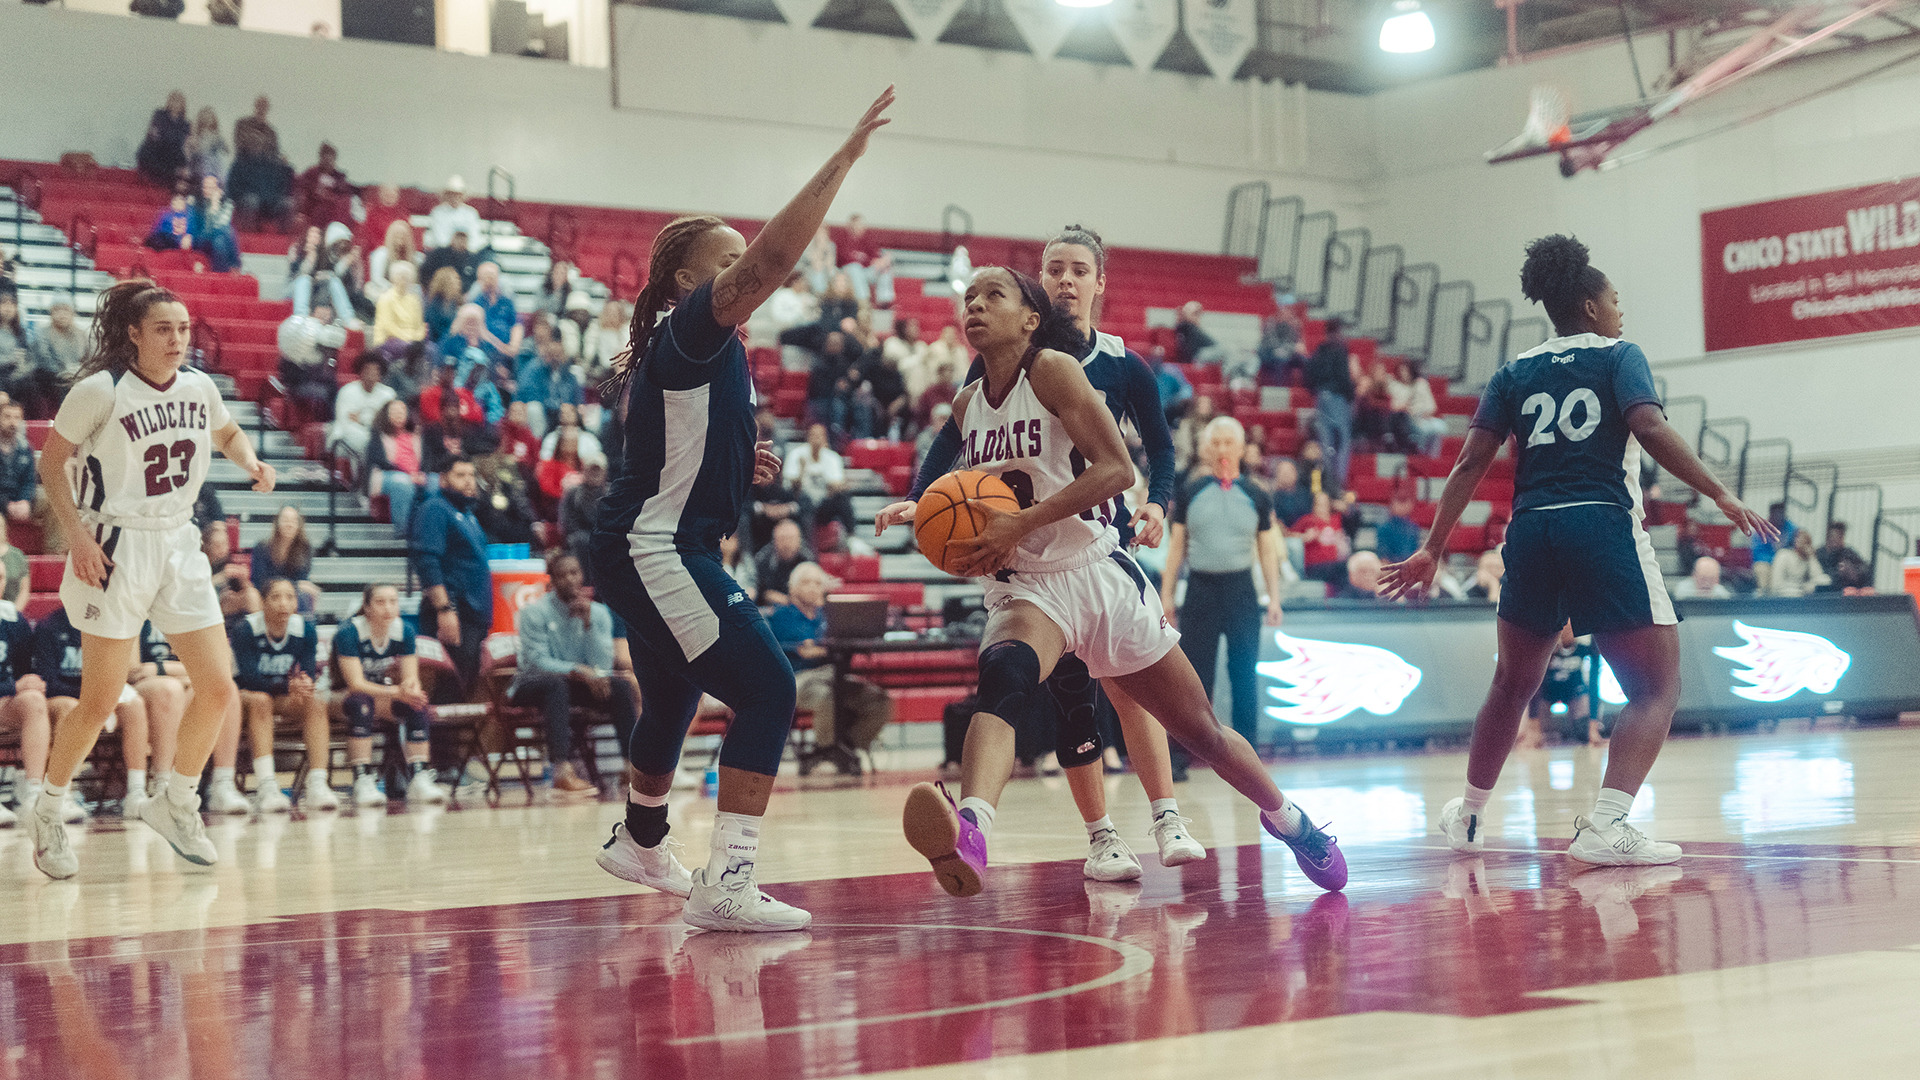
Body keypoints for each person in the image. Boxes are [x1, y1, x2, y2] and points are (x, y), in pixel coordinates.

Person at [886, 265, 1346, 901]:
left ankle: (1291, 822)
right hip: (1028, 583)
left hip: (1096, 571)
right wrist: (923, 505)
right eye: (969, 297)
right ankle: (972, 830)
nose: (976, 305)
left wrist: (1022, 521)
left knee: (1203, 732)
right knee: (1003, 676)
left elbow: (1116, 470)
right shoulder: (967, 404)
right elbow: (952, 475)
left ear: (1030, 318)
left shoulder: (1052, 371)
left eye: (993, 295)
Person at [588, 87, 896, 934]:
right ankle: (727, 881)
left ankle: (641, 839)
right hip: (656, 546)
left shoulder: (706, 350)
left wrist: (733, 464)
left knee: (674, 700)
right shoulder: (693, 327)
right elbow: (772, 261)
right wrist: (843, 159)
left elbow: (668, 449)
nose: (742, 273)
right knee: (767, 689)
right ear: (691, 283)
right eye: (727, 264)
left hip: (651, 539)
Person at [1378, 234, 1773, 868]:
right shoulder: (1620, 356)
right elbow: (1648, 426)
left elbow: (1470, 461)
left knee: (1512, 684)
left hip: (1533, 531)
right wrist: (1720, 493)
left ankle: (1470, 815)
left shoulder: (1514, 372)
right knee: (1656, 687)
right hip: (1601, 524)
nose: (1621, 309)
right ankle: (1607, 825)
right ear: (1590, 306)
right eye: (1614, 299)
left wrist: (1434, 546)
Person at [886, 225, 1200, 874]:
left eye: (1078, 269)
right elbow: (953, 437)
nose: (1065, 279)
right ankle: (1101, 837)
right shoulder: (1001, 359)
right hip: (1032, 559)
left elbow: (1159, 448)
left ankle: (1167, 817)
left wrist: (1158, 503)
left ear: (1098, 282)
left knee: (1128, 690)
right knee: (1070, 698)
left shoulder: (1121, 364)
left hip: (1099, 544)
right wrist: (921, 499)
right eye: (1054, 268)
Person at [23, 279, 276, 880]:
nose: (177, 339)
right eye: (164, 329)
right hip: (113, 542)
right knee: (99, 699)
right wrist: (77, 537)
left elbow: (226, 431)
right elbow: (51, 463)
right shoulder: (100, 391)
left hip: (178, 540)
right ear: (133, 334)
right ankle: (48, 809)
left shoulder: (199, 386)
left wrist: (250, 462)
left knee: (218, 687)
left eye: (183, 328)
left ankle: (176, 801)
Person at [1159, 413, 1286, 763]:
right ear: (1205, 450)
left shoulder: (1257, 495)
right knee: (1195, 680)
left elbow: (1267, 551)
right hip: (1200, 591)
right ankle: (1183, 757)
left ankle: (1248, 757)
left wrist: (1274, 598)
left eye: (1229, 442)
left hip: (1241, 591)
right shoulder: (1191, 492)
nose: (1222, 449)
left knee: (1244, 674)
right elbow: (1176, 549)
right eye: (1215, 443)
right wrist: (1167, 596)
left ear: (1242, 449)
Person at [510, 552, 637, 796]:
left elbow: (602, 665)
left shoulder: (598, 613)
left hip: (575, 684)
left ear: (582, 576)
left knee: (620, 687)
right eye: (562, 575)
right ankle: (562, 772)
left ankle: (631, 767)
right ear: (552, 581)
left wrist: (589, 626)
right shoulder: (533, 612)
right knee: (556, 685)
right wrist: (577, 670)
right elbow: (537, 662)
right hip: (531, 684)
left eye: (574, 573)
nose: (569, 579)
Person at [769, 562, 894, 775]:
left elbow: (819, 647)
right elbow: (805, 651)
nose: (813, 588)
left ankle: (849, 748)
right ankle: (827, 753)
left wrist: (823, 647)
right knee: (827, 698)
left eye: (818, 583)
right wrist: (823, 648)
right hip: (799, 679)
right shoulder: (781, 616)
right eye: (806, 582)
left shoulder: (831, 614)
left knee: (879, 700)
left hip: (835, 674)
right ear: (793, 588)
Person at [331, 583, 444, 808]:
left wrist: (411, 691)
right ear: (367, 607)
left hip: (379, 694)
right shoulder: (349, 632)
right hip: (336, 695)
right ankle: (362, 779)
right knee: (361, 704)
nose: (388, 608)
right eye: (381, 602)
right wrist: (397, 691)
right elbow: (355, 684)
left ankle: (419, 777)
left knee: (416, 704)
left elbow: (411, 678)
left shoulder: (405, 631)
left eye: (393, 602)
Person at [230, 578, 330, 812]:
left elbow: (307, 673)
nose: (283, 603)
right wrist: (288, 686)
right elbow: (250, 679)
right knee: (261, 700)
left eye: (290, 597)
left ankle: (317, 784)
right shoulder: (245, 629)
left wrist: (304, 684)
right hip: (244, 697)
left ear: (296, 603)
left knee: (315, 701)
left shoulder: (305, 630)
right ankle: (266, 786)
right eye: (276, 597)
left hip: (282, 695)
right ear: (263, 602)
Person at [411, 458, 492, 693]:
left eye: (471, 475)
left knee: (467, 687)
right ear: (444, 479)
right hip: (455, 611)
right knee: (449, 688)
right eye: (460, 475)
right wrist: (445, 609)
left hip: (474, 615)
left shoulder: (467, 514)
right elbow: (427, 561)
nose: (468, 481)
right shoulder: (435, 509)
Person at [122, 619, 193, 819]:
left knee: (211, 691)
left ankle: (218, 783)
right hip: (137, 688)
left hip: (173, 680)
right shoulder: (136, 609)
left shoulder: (187, 609)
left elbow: (213, 665)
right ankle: (163, 783)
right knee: (169, 690)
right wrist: (182, 673)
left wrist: (159, 668)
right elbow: (132, 670)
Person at [0, 566, 50, 828]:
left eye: (0, 578)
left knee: (34, 701)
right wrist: (13, 686)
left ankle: (33, 793)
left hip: (3, 699)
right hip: (4, 691)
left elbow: (25, 670)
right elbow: (14, 683)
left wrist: (28, 682)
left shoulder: (11, 618)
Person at [1305, 316, 1358, 489]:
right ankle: (1339, 483)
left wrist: (1317, 390)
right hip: (1337, 398)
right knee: (1342, 441)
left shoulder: (1320, 350)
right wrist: (1351, 397)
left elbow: (1309, 373)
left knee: (1326, 442)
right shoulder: (1339, 349)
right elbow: (1344, 378)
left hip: (1322, 397)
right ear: (1338, 332)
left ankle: (1327, 482)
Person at [228, 96, 294, 227]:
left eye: (265, 106)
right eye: (260, 105)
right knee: (252, 200)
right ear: (255, 106)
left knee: (287, 203)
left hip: (267, 189)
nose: (262, 108)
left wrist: (281, 162)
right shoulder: (242, 124)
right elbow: (233, 187)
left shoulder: (271, 132)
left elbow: (275, 154)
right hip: (247, 186)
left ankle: (282, 237)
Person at [784, 423, 854, 543]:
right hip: (801, 504)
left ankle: (852, 538)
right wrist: (801, 470)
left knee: (843, 497)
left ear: (825, 438)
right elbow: (790, 488)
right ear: (808, 437)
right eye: (813, 435)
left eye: (820, 436)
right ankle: (809, 546)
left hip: (823, 505)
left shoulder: (832, 458)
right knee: (804, 501)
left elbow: (836, 486)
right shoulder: (796, 454)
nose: (816, 439)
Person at [277, 300, 345, 420]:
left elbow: (330, 378)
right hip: (298, 384)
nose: (324, 320)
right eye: (321, 316)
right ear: (312, 314)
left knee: (336, 392)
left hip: (320, 384)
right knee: (323, 393)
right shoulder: (295, 337)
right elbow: (289, 375)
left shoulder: (327, 346)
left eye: (327, 317)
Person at [249, 505, 323, 612]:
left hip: (292, 594)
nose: (289, 524)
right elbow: (259, 581)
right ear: (277, 523)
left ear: (299, 525)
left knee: (307, 594)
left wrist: (298, 586)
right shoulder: (262, 547)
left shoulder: (305, 548)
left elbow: (302, 578)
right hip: (267, 592)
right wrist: (294, 585)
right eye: (285, 520)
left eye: (293, 521)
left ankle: (305, 623)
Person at [332, 354, 396, 458]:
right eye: (368, 369)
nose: (371, 373)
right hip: (348, 437)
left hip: (378, 437)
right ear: (360, 371)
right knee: (362, 438)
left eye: (375, 370)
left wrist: (361, 419)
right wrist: (374, 420)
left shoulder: (388, 394)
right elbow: (345, 422)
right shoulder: (347, 391)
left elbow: (387, 422)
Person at [836, 213, 895, 307]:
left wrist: (881, 262)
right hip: (848, 271)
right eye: (857, 225)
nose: (860, 227)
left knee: (885, 267)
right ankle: (863, 302)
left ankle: (884, 302)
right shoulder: (842, 239)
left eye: (861, 225)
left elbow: (875, 256)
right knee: (855, 267)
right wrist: (869, 261)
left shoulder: (867, 238)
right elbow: (845, 259)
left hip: (865, 271)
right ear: (850, 226)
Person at [1294, 489, 1350, 586]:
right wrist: (1304, 537)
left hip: (1335, 563)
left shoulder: (1336, 519)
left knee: (1347, 567)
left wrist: (1345, 507)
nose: (1321, 507)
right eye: (1318, 504)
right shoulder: (1307, 520)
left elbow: (1353, 516)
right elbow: (1288, 535)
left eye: (1325, 504)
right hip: (1315, 566)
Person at [469, 262, 523, 363]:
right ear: (479, 280)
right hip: (486, 349)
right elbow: (480, 331)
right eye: (486, 277)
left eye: (492, 276)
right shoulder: (475, 303)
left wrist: (514, 346)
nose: (490, 280)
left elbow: (516, 325)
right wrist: (502, 348)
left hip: (508, 349)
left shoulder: (507, 301)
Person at [753, 518, 813, 607]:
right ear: (774, 541)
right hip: (770, 607)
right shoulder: (763, 560)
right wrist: (767, 595)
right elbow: (760, 590)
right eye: (782, 538)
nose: (787, 543)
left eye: (791, 538)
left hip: (800, 605)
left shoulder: (807, 560)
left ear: (799, 540)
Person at [187, 174, 241, 273]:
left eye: (211, 188)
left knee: (219, 241)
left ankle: (218, 275)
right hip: (200, 238)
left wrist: (214, 206)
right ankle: (235, 264)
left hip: (216, 237)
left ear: (218, 190)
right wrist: (188, 234)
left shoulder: (227, 203)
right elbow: (191, 223)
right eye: (205, 187)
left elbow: (221, 225)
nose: (206, 190)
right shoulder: (195, 201)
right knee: (229, 230)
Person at [293, 142, 354, 229]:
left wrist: (331, 196)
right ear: (321, 158)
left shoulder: (339, 177)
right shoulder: (311, 173)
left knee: (345, 203)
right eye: (325, 159)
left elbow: (344, 192)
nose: (328, 162)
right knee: (321, 210)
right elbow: (302, 186)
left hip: (333, 207)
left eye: (330, 160)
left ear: (334, 160)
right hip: (314, 205)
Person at [136, 91, 190, 187]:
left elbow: (183, 143)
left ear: (183, 105)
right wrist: (169, 137)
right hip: (158, 150)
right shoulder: (159, 115)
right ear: (168, 102)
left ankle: (173, 179)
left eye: (178, 102)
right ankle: (171, 176)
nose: (175, 104)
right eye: (173, 100)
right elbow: (155, 134)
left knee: (180, 157)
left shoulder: (185, 124)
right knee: (149, 150)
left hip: (173, 153)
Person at [366, 219, 421, 307]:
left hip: (408, 293)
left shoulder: (416, 258)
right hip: (386, 291)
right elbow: (377, 279)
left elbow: (417, 283)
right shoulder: (381, 254)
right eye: (397, 234)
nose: (400, 237)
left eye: (403, 235)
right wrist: (396, 290)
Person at [1748, 502, 1797, 593]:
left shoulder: (1792, 529)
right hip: (1766, 562)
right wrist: (1774, 560)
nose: (1778, 516)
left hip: (1785, 562)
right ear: (1771, 514)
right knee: (1761, 568)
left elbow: (1796, 547)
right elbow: (1757, 553)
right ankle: (1764, 595)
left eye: (1781, 513)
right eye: (1776, 513)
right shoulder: (1761, 529)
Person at [425, 176, 483, 251]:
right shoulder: (438, 212)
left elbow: (474, 238)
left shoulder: (471, 213)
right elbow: (439, 239)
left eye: (458, 194)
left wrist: (466, 249)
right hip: (443, 252)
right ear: (446, 195)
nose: (455, 197)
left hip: (467, 252)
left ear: (463, 196)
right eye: (451, 194)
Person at [1768, 528, 1829, 596]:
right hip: (1784, 592)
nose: (1801, 541)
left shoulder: (1807, 559)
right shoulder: (1783, 555)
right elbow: (1776, 583)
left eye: (1805, 540)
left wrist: (1811, 557)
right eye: (1798, 538)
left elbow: (1818, 577)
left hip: (1802, 591)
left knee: (1825, 579)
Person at [421, 232, 479, 299]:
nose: (461, 242)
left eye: (463, 239)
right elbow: (425, 272)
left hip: (463, 296)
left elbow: (473, 278)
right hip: (437, 293)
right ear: (453, 239)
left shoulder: (471, 258)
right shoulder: (439, 254)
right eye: (458, 238)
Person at [1815, 521, 1870, 591]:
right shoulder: (1819, 554)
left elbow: (1864, 568)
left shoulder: (1847, 552)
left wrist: (1851, 571)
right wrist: (1838, 572)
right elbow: (1818, 574)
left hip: (1846, 592)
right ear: (1829, 538)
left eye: (1842, 536)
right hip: (1824, 591)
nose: (1841, 540)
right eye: (1838, 536)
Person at [1376, 491, 1424, 565]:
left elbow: (1416, 550)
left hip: (1409, 565)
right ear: (1391, 505)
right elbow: (1383, 555)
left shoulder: (1414, 528)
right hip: (1390, 566)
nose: (1403, 507)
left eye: (1405, 503)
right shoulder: (1384, 528)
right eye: (1400, 503)